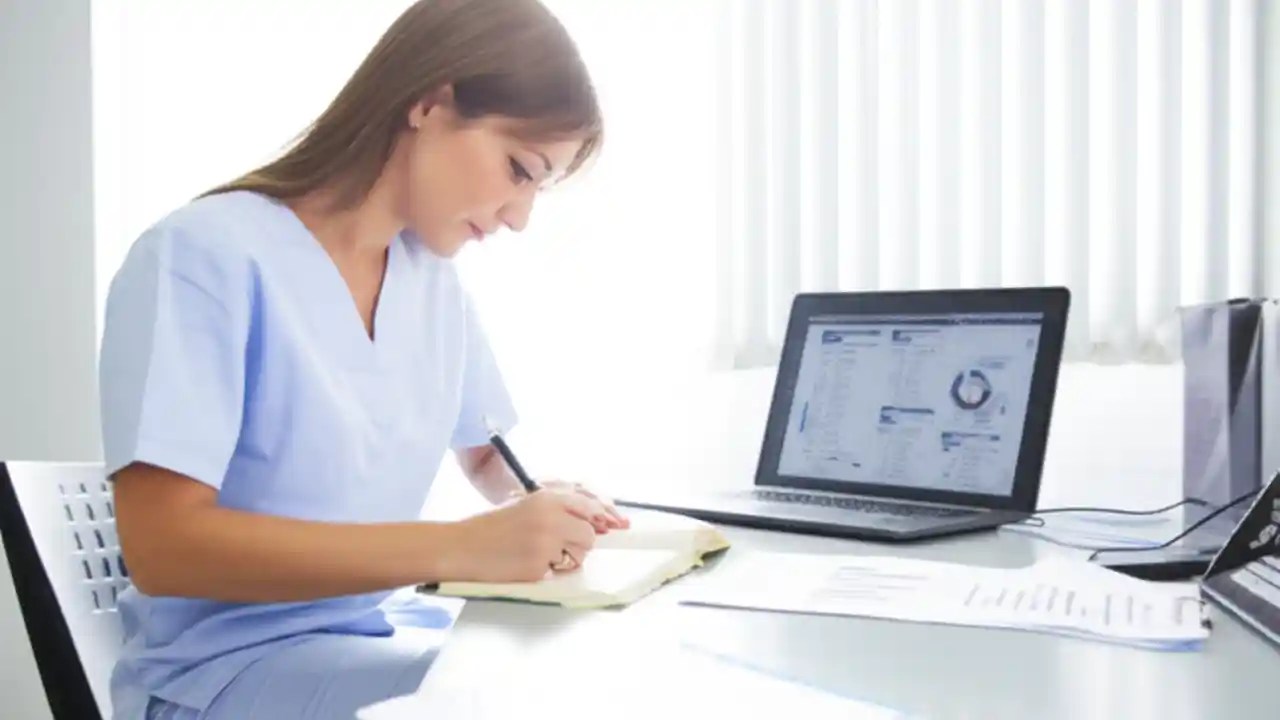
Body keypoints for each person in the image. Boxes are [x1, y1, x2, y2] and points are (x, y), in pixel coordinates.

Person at [97, 1, 627, 717]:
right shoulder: (203, 258)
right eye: (519, 169)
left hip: (371, 634)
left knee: (577, 668)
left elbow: (485, 453)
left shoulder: (431, 281)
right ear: (431, 100)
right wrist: (463, 547)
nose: (518, 216)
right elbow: (163, 548)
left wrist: (536, 505)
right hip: (220, 675)